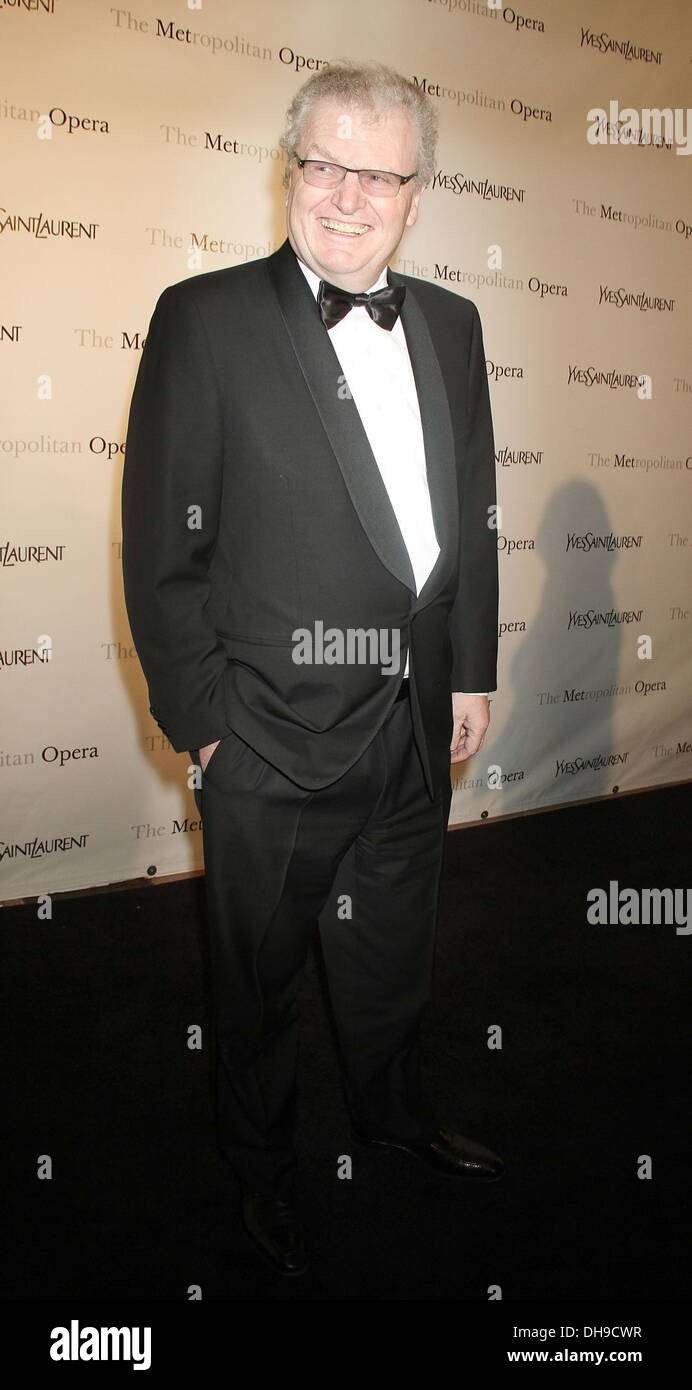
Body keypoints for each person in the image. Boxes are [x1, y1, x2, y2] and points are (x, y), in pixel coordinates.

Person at [121, 59, 502, 1278]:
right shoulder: (205, 316)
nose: (346, 195)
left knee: (392, 952)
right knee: (255, 985)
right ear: (291, 170)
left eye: (376, 171)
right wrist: (206, 724)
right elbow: (162, 545)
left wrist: (469, 673)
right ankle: (264, 1167)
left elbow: (471, 515)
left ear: (414, 190)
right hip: (269, 740)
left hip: (411, 726)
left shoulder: (450, 324)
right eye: (322, 163)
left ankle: (390, 1117)